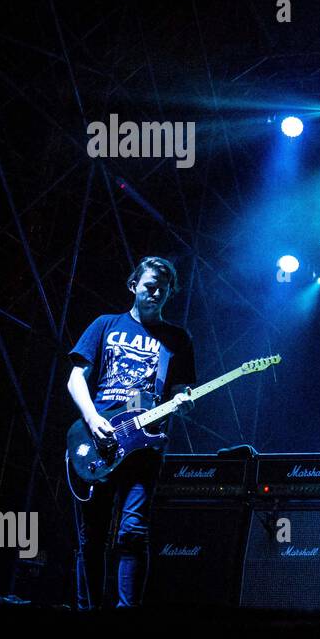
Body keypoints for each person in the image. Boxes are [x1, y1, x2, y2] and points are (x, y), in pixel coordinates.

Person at [66, 256, 195, 609]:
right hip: (100, 438)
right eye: (150, 285)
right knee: (92, 536)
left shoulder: (177, 339)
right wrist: (93, 420)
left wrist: (183, 400)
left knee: (133, 533)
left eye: (163, 289)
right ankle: (87, 611)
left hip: (145, 446)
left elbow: (181, 390)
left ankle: (127, 617)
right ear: (133, 285)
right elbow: (76, 378)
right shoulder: (105, 324)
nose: (155, 292)